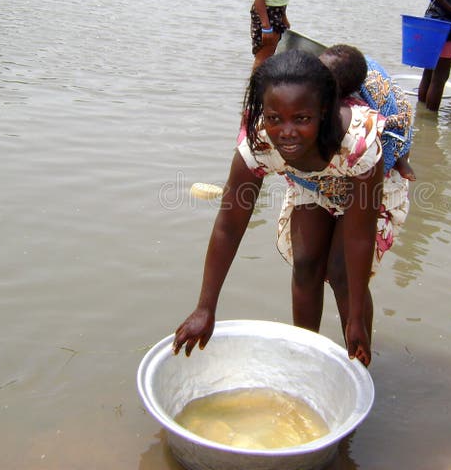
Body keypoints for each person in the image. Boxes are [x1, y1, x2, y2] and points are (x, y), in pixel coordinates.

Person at [173, 50, 410, 367]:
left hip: (357, 180)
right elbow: (228, 226)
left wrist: (355, 318)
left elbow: (359, 237)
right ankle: (304, 359)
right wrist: (205, 307)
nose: (286, 132)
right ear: (263, 113)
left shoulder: (359, 141)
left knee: (341, 272)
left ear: (323, 112)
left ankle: (358, 358)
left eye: (302, 118)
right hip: (309, 181)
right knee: (307, 261)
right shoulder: (259, 143)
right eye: (274, 118)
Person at [319, 44, 416, 181]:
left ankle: (400, 160)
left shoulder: (361, 105)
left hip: (395, 116)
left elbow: (388, 127)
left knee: (397, 135)